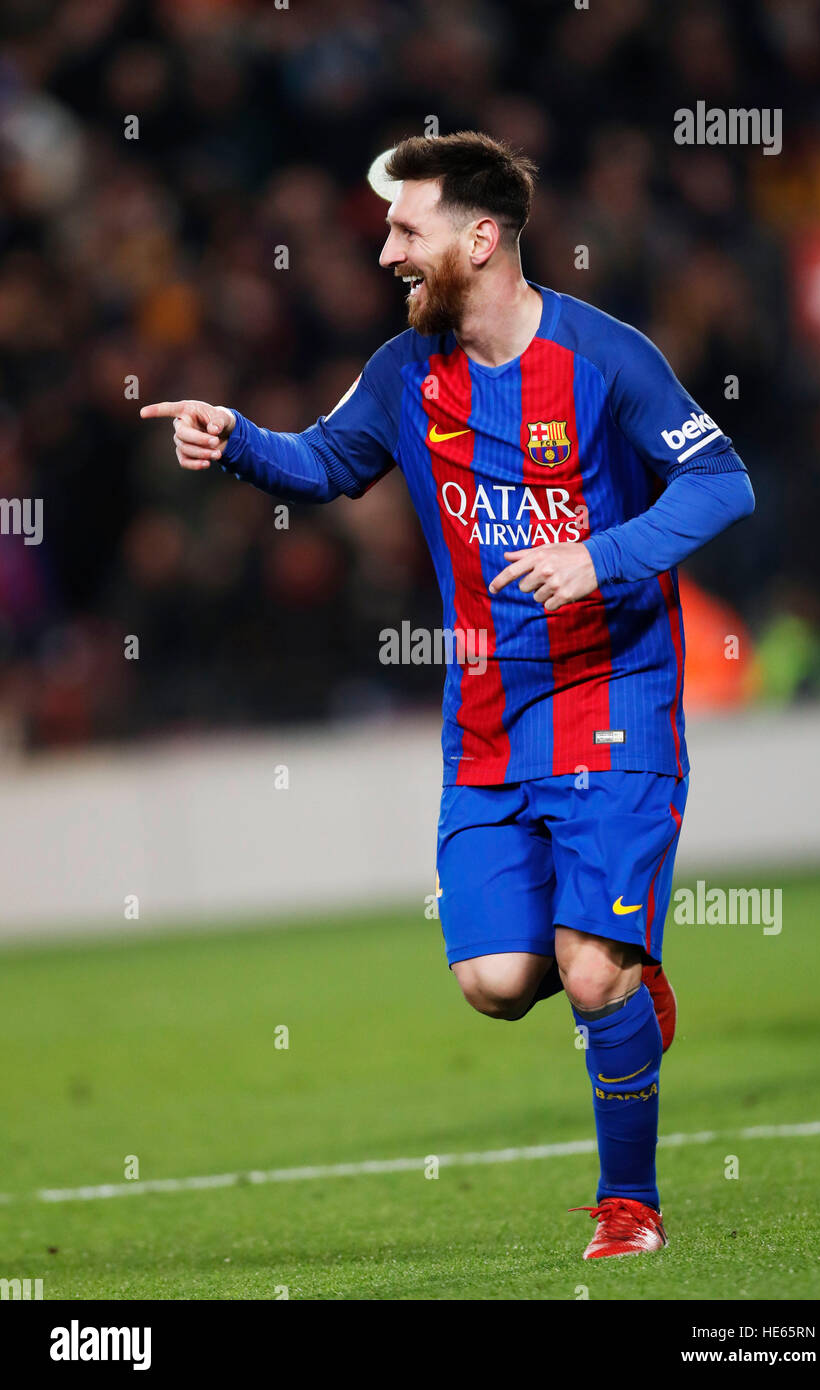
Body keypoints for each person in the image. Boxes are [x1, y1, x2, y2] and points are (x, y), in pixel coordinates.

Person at [141, 131, 755, 1259]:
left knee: (582, 969)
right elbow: (325, 461)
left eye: (405, 230)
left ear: (480, 239)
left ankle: (629, 1208)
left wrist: (600, 555)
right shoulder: (400, 372)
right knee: (495, 980)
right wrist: (235, 441)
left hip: (612, 694)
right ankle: (627, 986)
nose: (386, 254)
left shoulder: (605, 358)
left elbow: (722, 479)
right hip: (483, 718)